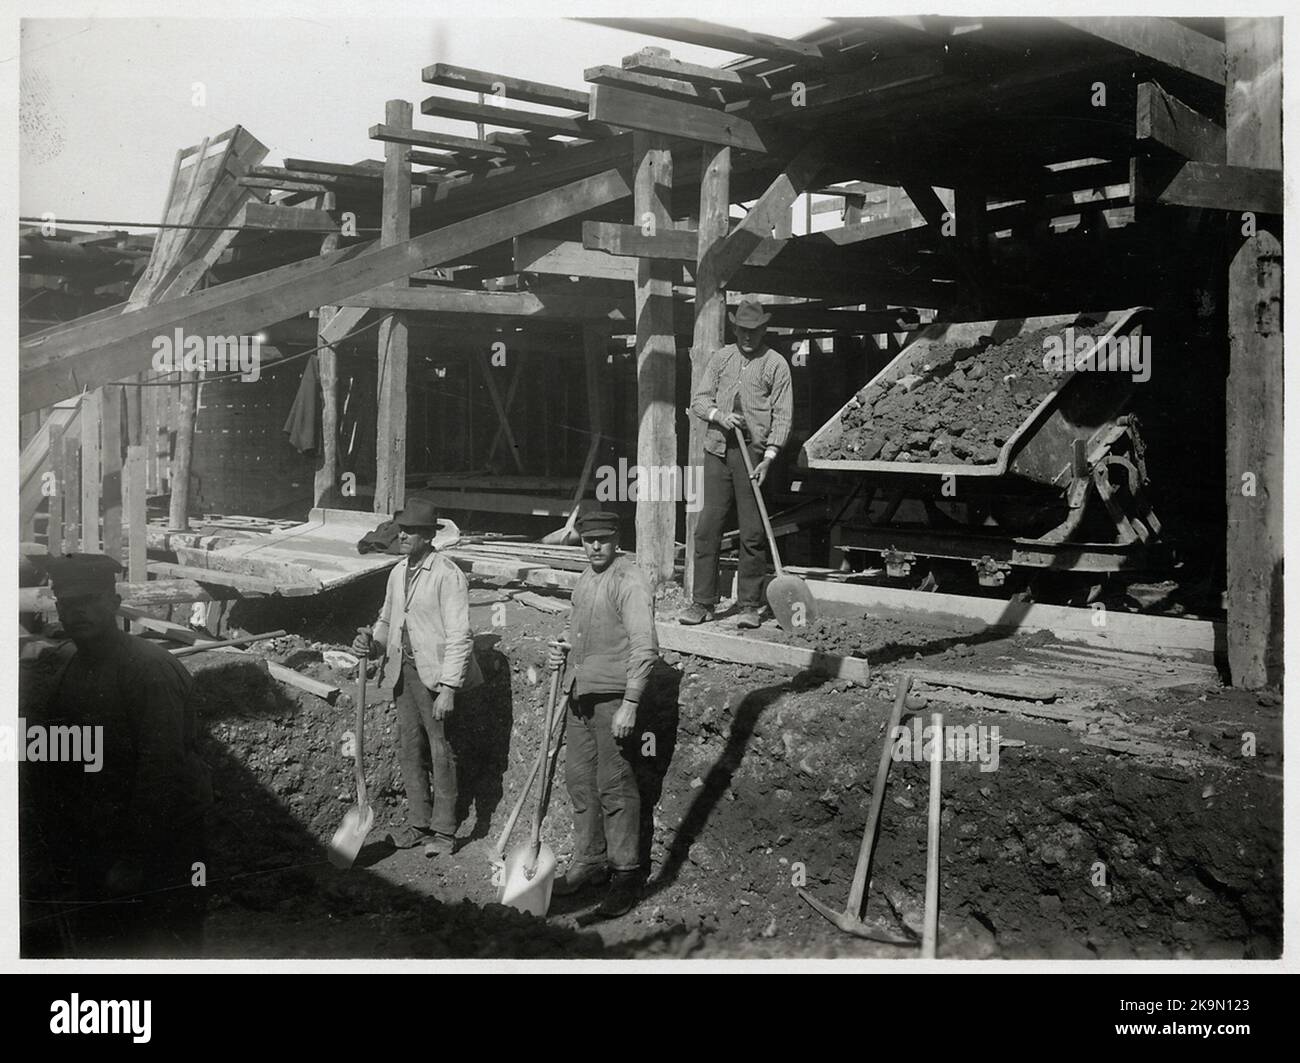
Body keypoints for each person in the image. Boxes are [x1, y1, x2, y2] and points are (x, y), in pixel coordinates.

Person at [23, 554, 212, 958]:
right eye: (67, 604)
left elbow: (162, 770)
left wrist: (134, 858)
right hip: (98, 836)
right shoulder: (67, 664)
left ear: (114, 602)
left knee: (163, 946)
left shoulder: (149, 669)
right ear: (56, 608)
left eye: (90, 600)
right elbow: (54, 755)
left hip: (162, 842)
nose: (79, 611)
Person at [353, 496, 482, 857]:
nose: (403, 536)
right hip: (403, 672)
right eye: (402, 530)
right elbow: (386, 621)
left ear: (428, 537)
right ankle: (418, 824)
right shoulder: (398, 572)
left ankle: (443, 832)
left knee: (442, 751)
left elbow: (461, 636)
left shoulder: (447, 574)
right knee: (409, 748)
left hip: (435, 676)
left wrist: (449, 688)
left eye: (411, 531)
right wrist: (372, 645)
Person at [546, 511, 658, 919]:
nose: (594, 546)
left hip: (613, 698)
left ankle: (626, 875)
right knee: (580, 781)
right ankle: (589, 862)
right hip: (580, 695)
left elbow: (645, 647)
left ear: (617, 539)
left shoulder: (629, 581)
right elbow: (582, 632)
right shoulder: (586, 579)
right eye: (587, 539)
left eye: (602, 540)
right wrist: (564, 646)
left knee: (614, 786)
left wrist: (630, 703)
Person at [682, 298, 794, 628]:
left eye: (755, 331)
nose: (748, 336)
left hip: (755, 459)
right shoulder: (721, 358)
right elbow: (699, 400)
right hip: (718, 452)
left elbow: (783, 416)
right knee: (706, 529)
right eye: (743, 330)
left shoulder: (776, 364)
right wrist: (719, 415)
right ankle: (702, 602)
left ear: (763, 329)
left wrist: (770, 458)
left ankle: (749, 605)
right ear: (735, 328)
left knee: (753, 533)